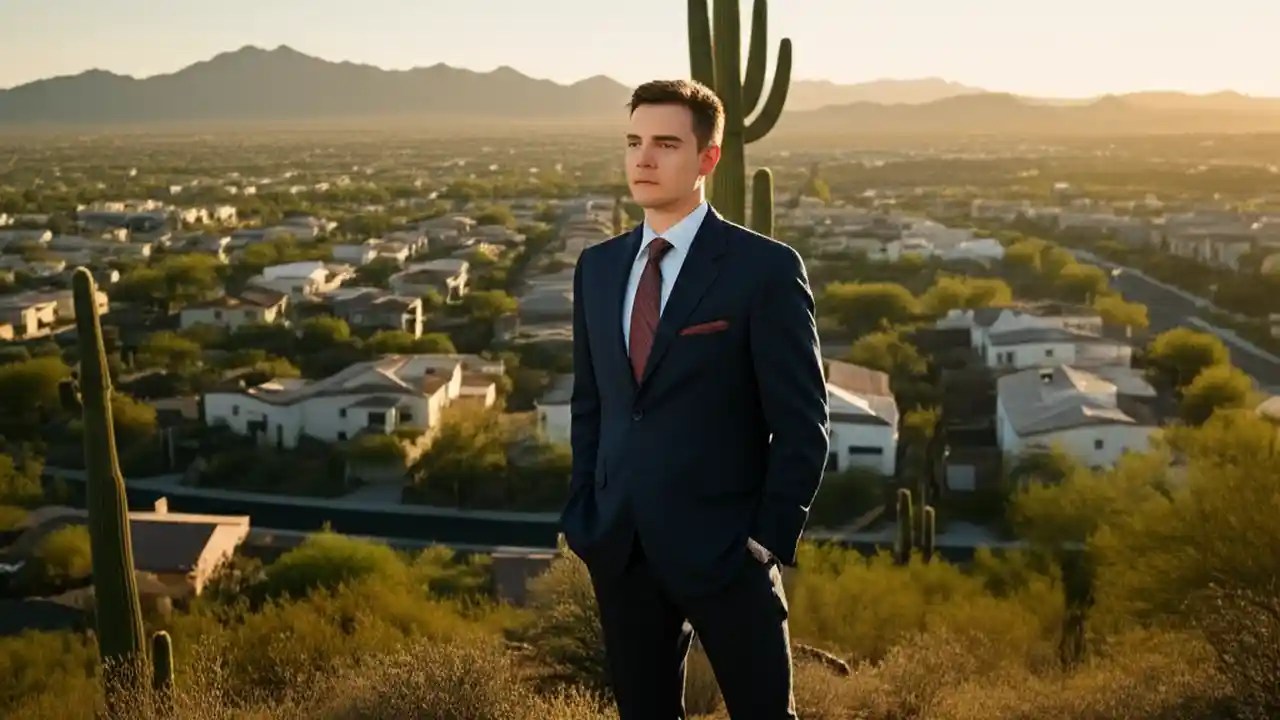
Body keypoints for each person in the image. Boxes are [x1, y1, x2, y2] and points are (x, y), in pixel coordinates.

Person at [559, 78, 830, 719]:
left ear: (708, 157)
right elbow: (591, 403)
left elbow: (803, 423)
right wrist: (583, 514)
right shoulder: (596, 269)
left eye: (666, 144)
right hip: (621, 550)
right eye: (633, 142)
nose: (643, 159)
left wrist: (765, 540)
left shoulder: (762, 269)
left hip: (728, 551)